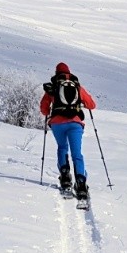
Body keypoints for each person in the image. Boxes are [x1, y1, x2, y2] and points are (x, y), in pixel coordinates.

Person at [41, 62, 96, 201]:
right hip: (75, 123)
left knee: (62, 148)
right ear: (69, 73)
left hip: (58, 124)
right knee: (77, 154)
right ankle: (81, 185)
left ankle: (65, 178)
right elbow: (92, 105)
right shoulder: (76, 86)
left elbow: (44, 109)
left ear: (56, 73)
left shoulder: (53, 87)